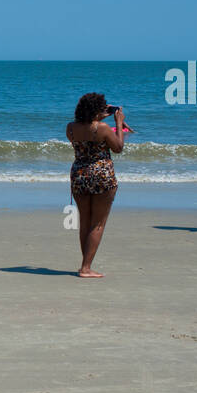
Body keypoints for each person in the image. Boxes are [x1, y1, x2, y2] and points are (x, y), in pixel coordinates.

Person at [65, 92, 126, 278]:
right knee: (98, 223)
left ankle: (85, 263)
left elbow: (82, 141)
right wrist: (118, 123)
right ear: (97, 110)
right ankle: (86, 268)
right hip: (102, 176)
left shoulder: (71, 127)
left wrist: (97, 117)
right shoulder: (104, 128)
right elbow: (118, 148)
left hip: (79, 174)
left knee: (85, 221)